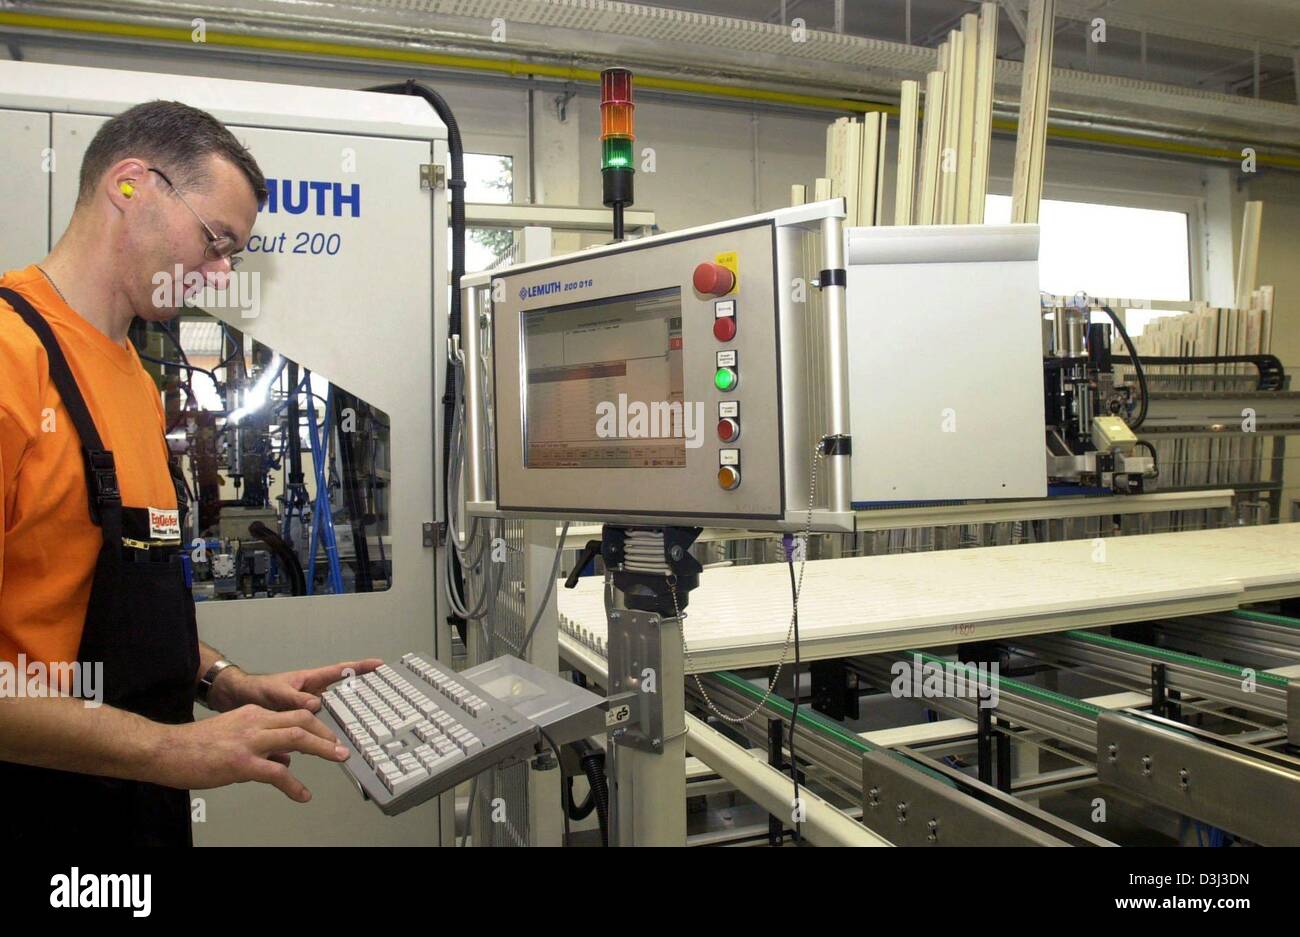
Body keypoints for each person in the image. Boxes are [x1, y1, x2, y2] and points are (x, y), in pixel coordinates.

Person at [0, 100, 381, 845]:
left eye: (233, 256)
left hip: (134, 807)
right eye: (216, 242)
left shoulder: (135, 381)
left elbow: (112, 611)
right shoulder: (12, 358)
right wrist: (172, 748)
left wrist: (223, 681)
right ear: (132, 185)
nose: (220, 274)